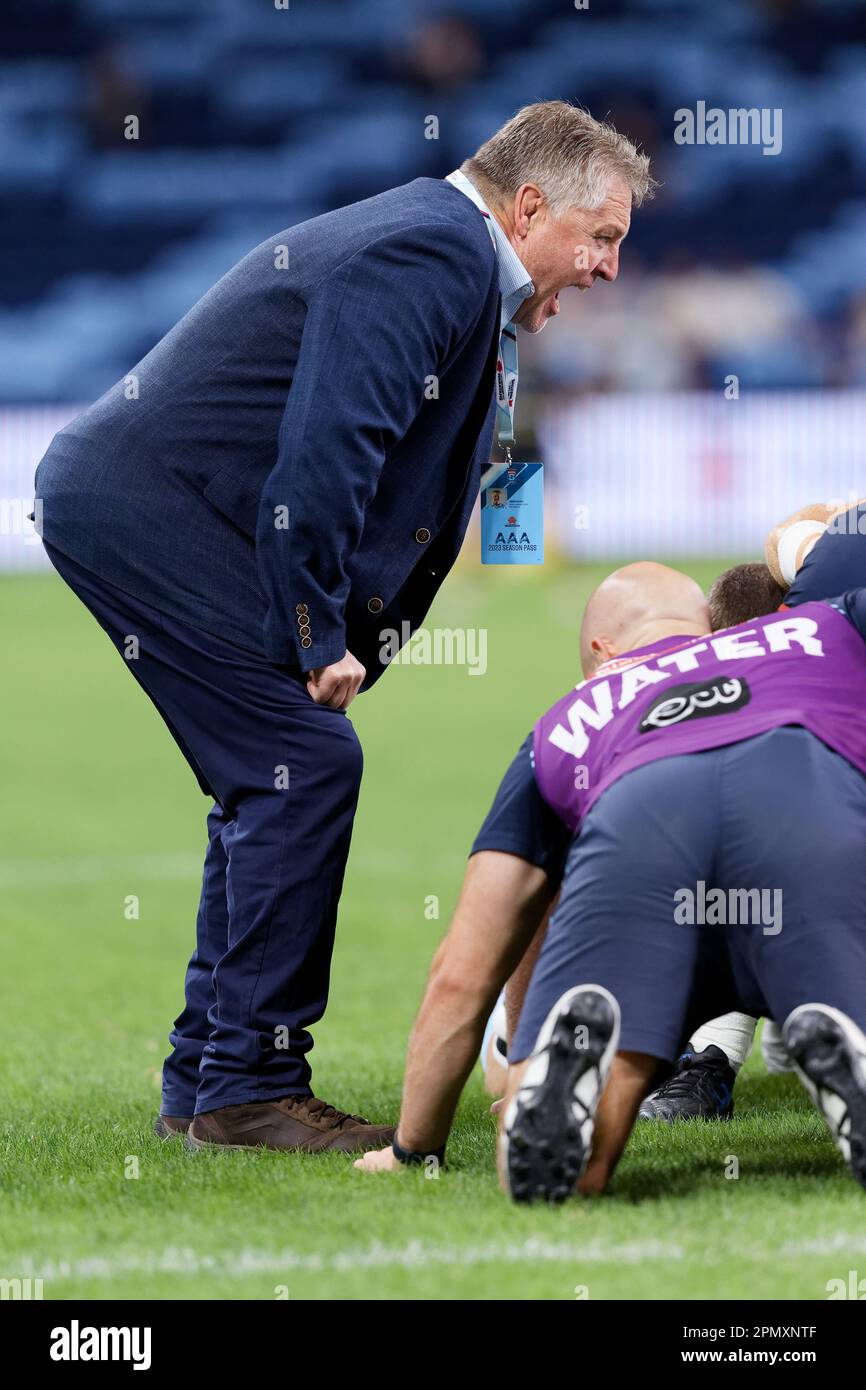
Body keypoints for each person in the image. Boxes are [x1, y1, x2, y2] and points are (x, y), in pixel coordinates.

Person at [33, 101, 652, 1152]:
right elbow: (329, 452)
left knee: (277, 772)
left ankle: (209, 1078)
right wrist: (318, 630)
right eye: (599, 237)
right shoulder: (429, 251)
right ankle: (244, 1088)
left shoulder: (453, 256)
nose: (607, 267)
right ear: (530, 202)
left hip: (167, 508)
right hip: (154, 511)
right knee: (300, 763)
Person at [355, 562, 866, 1202]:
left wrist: (412, 1148)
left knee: (592, 1116)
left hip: (642, 837)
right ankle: (846, 1028)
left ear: (604, 653)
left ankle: (576, 1090)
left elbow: (462, 971)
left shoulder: (569, 720)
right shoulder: (822, 627)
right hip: (804, 808)